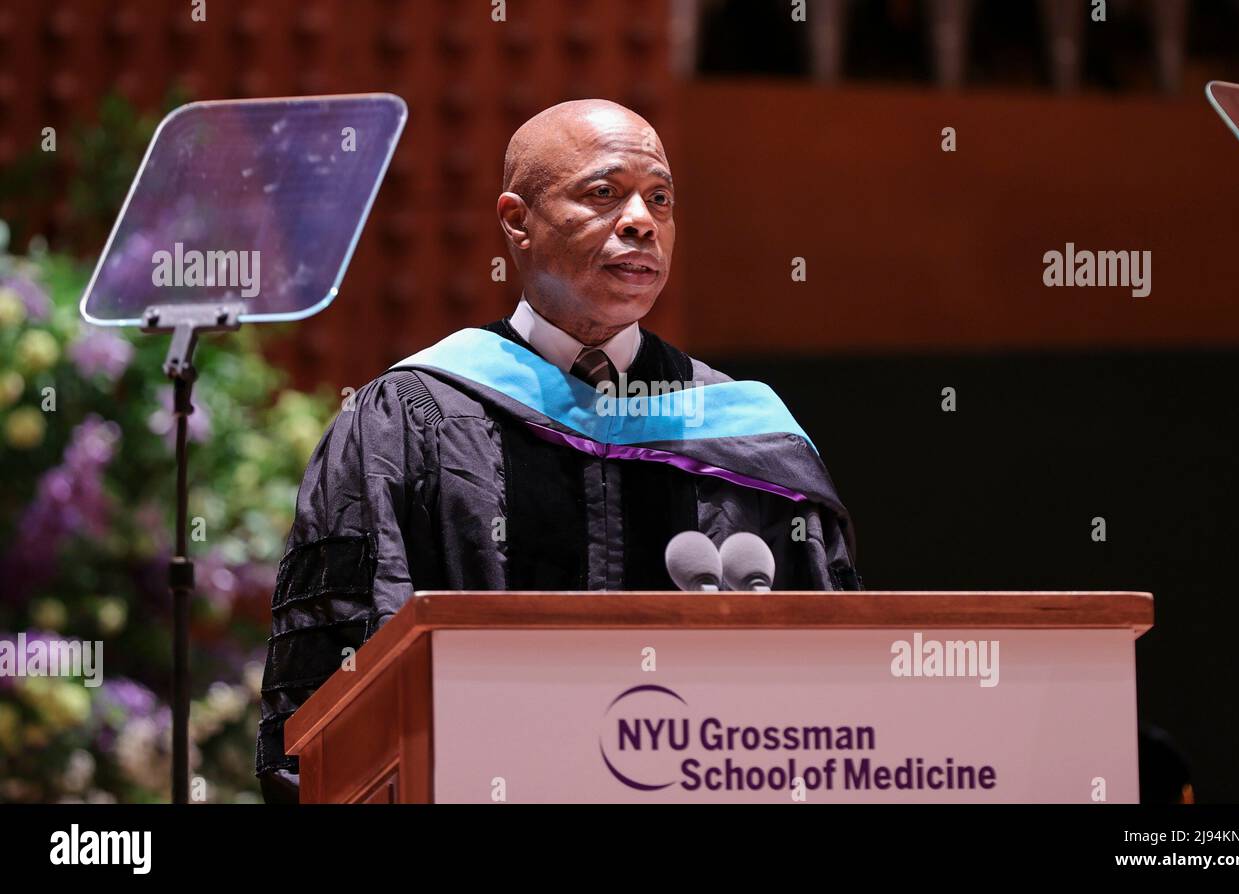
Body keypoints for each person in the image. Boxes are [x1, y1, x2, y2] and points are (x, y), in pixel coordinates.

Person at [255, 99, 861, 803]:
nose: (642, 220)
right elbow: (332, 675)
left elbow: (825, 685)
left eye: (659, 199)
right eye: (603, 194)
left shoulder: (746, 433)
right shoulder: (408, 419)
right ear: (516, 221)